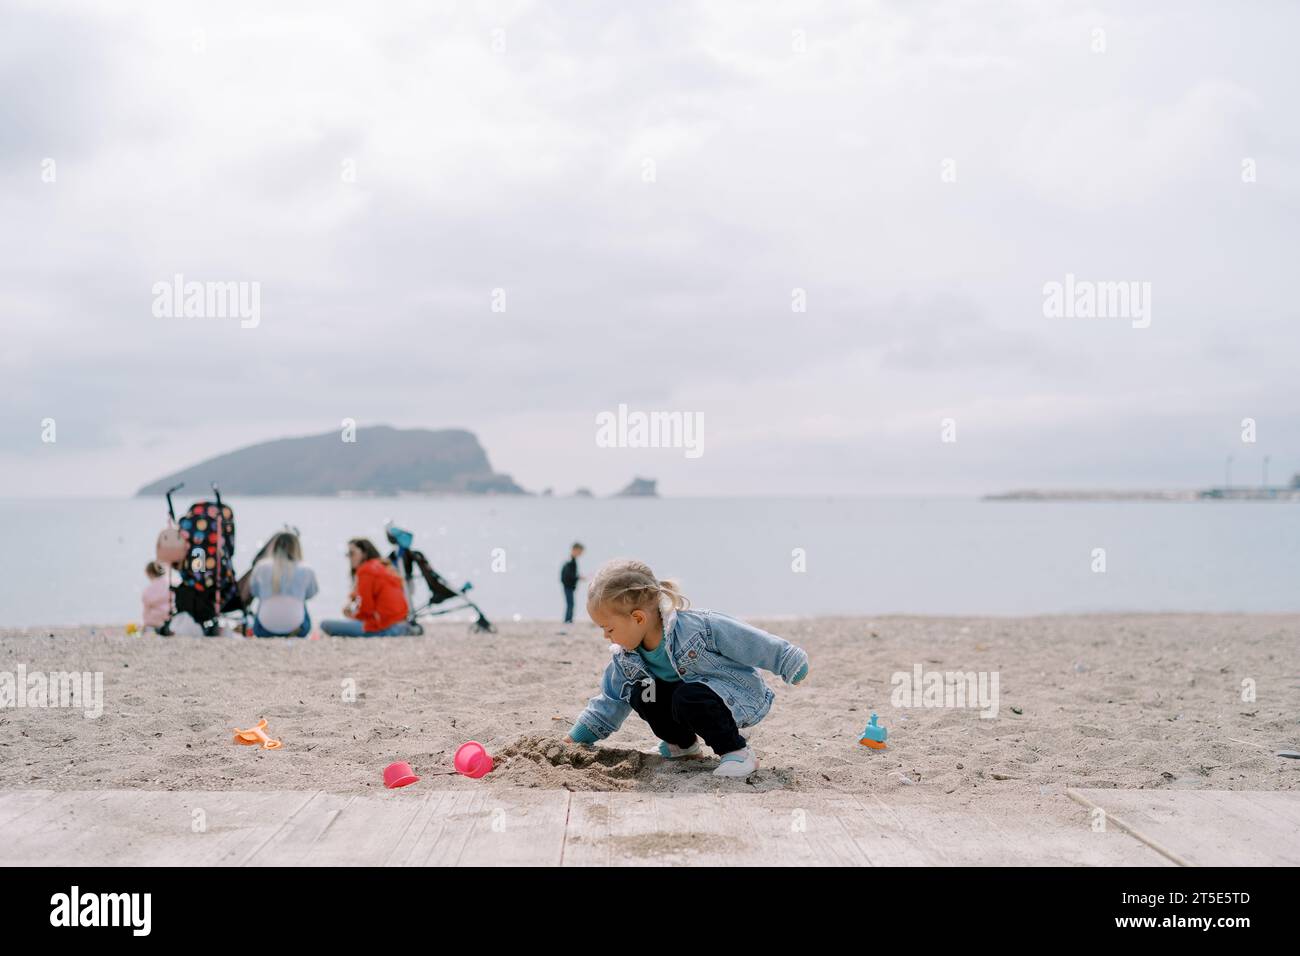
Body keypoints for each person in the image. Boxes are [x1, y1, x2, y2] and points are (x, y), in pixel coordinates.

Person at [566, 558, 809, 777]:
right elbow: (608, 702)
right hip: (686, 704)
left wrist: (788, 660)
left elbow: (747, 641)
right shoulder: (626, 658)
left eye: (609, 629)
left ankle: (737, 752)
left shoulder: (696, 628)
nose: (606, 637)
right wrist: (575, 739)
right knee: (643, 694)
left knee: (688, 696)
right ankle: (683, 745)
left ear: (638, 618)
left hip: (734, 697)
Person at [320, 538, 413, 636]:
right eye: (348, 554)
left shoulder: (366, 571)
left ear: (364, 554)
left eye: (352, 553)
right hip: (401, 623)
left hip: (386, 627)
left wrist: (353, 616)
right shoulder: (383, 566)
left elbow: (366, 609)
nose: (349, 557)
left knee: (325, 624)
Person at [248, 531, 318, 637]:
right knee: (300, 600)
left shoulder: (261, 567)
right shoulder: (306, 569)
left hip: (264, 630)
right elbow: (311, 594)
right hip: (297, 630)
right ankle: (292, 626)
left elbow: (254, 592)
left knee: (264, 600)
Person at [141, 561, 171, 631]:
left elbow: (146, 606)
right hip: (168, 620)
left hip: (153, 622)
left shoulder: (149, 589)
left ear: (149, 573)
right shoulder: (169, 584)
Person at [560, 542, 584, 623]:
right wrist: (577, 577)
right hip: (568, 586)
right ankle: (568, 620)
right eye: (580, 551)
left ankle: (569, 619)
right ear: (575, 550)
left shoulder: (572, 561)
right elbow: (568, 575)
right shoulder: (570, 561)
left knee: (570, 604)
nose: (581, 553)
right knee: (570, 604)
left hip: (569, 586)